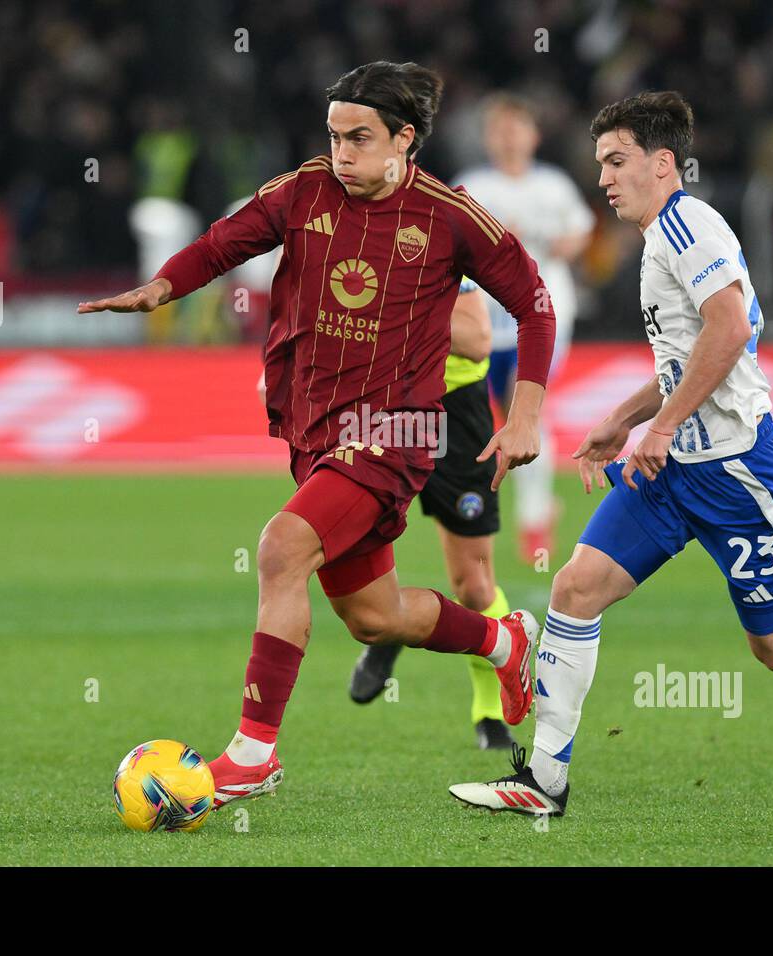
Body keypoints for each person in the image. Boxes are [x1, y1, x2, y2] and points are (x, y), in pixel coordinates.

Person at [448, 91, 773, 816]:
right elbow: (689, 352)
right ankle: (544, 780)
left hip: (737, 473)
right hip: (671, 476)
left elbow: (731, 329)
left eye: (617, 160)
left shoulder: (689, 225)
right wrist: (625, 419)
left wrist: (660, 427)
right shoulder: (663, 236)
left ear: (662, 163)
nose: (602, 177)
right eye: (600, 161)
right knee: (575, 590)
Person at [79, 61, 556, 808]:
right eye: (334, 137)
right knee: (375, 619)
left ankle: (254, 754)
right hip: (316, 431)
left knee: (281, 547)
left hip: (395, 430)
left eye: (359, 138)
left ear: (405, 138)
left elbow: (534, 304)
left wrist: (524, 411)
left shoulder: (450, 215)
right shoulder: (304, 191)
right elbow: (220, 244)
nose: (342, 154)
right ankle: (506, 641)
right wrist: (163, 286)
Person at [348, 278, 516, 751]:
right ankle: (388, 627)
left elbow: (477, 341)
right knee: (342, 548)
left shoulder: (438, 227)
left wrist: (396, 302)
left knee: (475, 587)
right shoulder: (346, 232)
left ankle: (489, 713)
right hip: (382, 408)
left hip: (454, 414)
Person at [456, 94, 594, 561]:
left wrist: (552, 242)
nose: (509, 137)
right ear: (488, 137)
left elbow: (580, 232)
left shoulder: (553, 186)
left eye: (517, 128)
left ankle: (533, 520)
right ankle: (523, 508)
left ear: (533, 135)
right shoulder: (471, 185)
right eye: (500, 129)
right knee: (499, 415)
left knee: (526, 407)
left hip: (541, 312)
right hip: (484, 320)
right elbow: (452, 241)